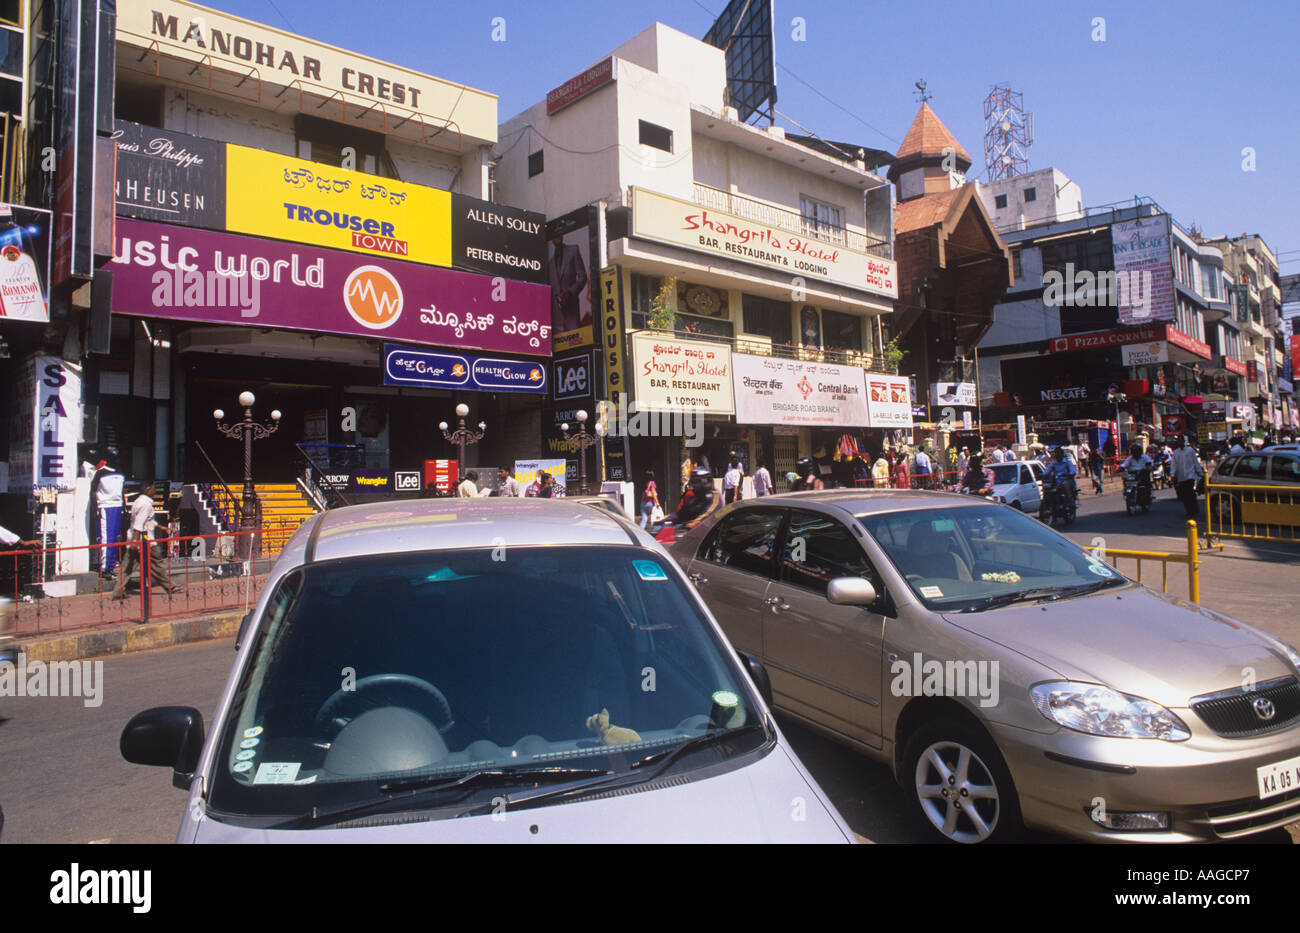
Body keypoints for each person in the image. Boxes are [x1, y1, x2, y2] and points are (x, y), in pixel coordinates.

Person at [113, 482, 177, 600]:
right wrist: (136, 541)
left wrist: (160, 527)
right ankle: (170, 587)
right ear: (148, 490)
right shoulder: (145, 505)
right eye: (153, 489)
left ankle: (118, 591)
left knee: (128, 567)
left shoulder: (138, 501)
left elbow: (147, 520)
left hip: (137, 539)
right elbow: (140, 523)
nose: (155, 491)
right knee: (156, 564)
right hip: (144, 541)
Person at [548, 232, 588, 334]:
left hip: (572, 311)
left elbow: (582, 276)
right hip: (557, 320)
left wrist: (570, 292)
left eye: (559, 234)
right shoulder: (550, 264)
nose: (557, 237)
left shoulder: (573, 250)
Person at [1170, 436, 1205, 518]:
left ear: (1184, 441)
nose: (1180, 443)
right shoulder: (1176, 453)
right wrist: (1172, 474)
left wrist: (1200, 473)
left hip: (1190, 475)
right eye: (1178, 441)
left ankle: (1194, 509)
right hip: (1181, 477)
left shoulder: (1190, 451)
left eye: (1181, 441)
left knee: (1190, 493)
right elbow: (1174, 464)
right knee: (1184, 495)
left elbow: (1195, 462)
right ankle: (1189, 510)